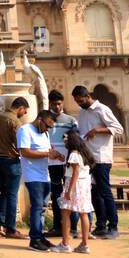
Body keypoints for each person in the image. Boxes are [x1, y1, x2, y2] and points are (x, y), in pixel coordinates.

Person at [73, 86, 124, 239]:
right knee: (94, 193)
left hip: (101, 157)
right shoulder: (83, 113)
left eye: (81, 101)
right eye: (77, 102)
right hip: (88, 158)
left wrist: (97, 130)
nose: (79, 104)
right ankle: (101, 225)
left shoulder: (101, 109)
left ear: (88, 96)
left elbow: (118, 128)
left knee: (105, 191)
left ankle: (113, 226)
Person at [17, 103, 56, 252]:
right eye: (47, 126)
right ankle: (34, 239)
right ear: (40, 119)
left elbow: (47, 150)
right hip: (33, 176)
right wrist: (47, 154)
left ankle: (40, 237)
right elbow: (25, 152)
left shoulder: (44, 133)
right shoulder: (25, 130)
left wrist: (54, 154)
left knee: (43, 208)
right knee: (37, 207)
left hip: (45, 175)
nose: (47, 129)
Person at [0, 97, 27, 239]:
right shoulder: (16, 122)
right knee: (11, 195)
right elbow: (19, 144)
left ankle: (1, 224)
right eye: (25, 111)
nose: (24, 113)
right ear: (20, 107)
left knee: (4, 193)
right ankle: (11, 229)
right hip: (11, 160)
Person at [44, 90, 79, 239]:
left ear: (62, 103)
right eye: (54, 104)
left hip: (67, 162)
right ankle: (58, 226)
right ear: (50, 104)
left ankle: (72, 228)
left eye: (59, 104)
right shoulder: (45, 119)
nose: (57, 107)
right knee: (56, 194)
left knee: (70, 194)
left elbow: (76, 140)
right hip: (52, 162)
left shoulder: (71, 120)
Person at [54, 129, 95, 253]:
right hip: (84, 185)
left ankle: (65, 243)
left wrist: (68, 191)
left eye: (66, 140)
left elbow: (75, 173)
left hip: (74, 184)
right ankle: (84, 244)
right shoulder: (84, 154)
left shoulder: (73, 154)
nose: (65, 142)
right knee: (83, 213)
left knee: (65, 213)